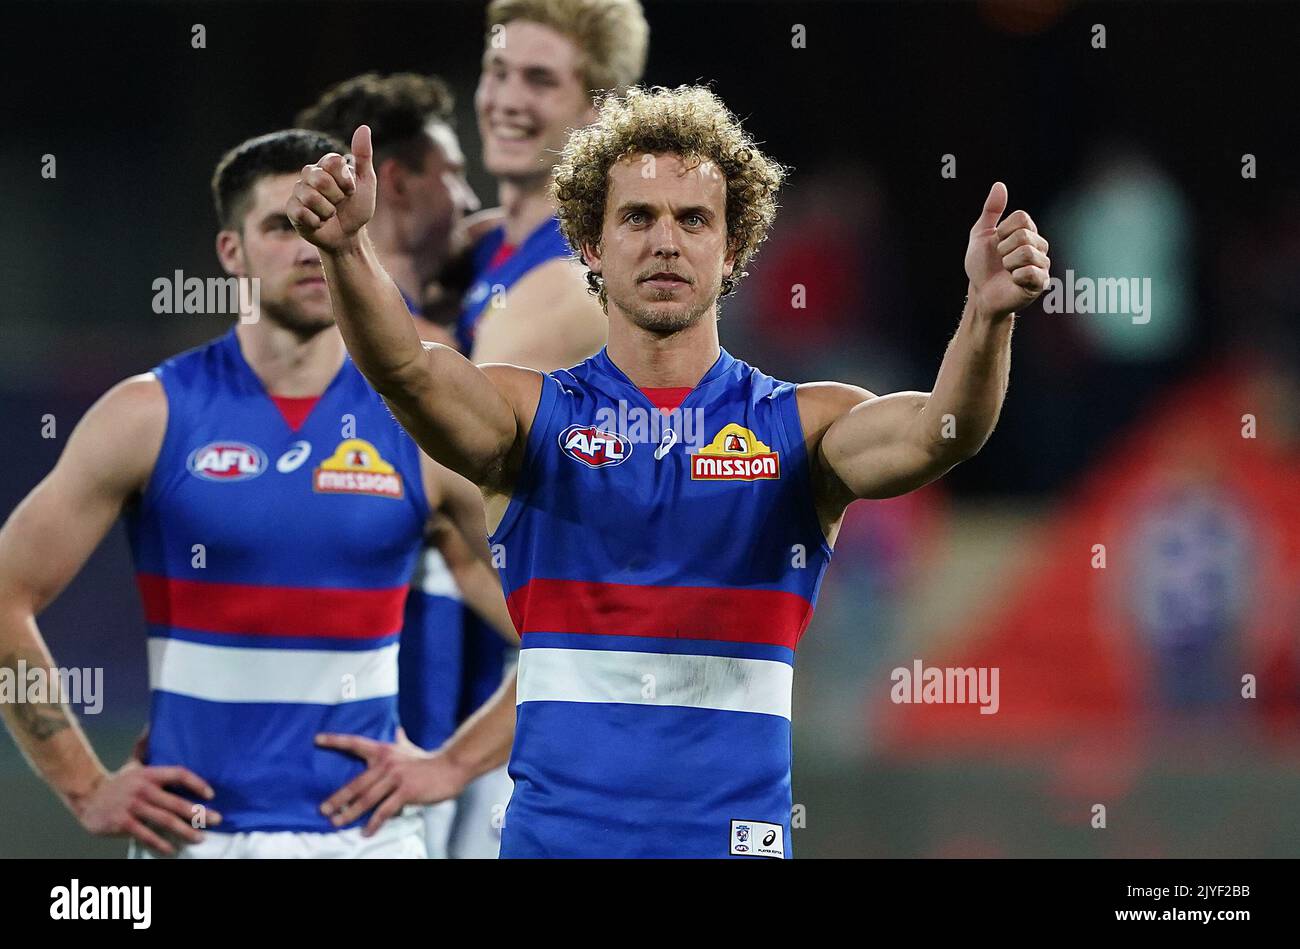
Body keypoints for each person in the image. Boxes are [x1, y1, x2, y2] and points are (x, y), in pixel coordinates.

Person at [293, 84, 1050, 857]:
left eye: (693, 219)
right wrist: (348, 252)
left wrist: (987, 317)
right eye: (637, 216)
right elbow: (409, 373)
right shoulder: (530, 420)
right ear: (590, 244)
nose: (666, 241)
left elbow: (941, 432)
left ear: (732, 248)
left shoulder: (801, 428)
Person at [0, 129, 507, 858]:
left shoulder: (420, 423)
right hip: (196, 840)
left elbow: (560, 620)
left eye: (324, 223)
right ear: (230, 253)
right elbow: (6, 590)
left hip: (369, 843)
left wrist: (454, 763)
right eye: (281, 226)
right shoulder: (148, 414)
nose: (308, 246)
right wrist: (84, 784)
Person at [297, 73, 518, 859]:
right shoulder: (438, 363)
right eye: (452, 173)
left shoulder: (477, 309)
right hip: (402, 746)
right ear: (396, 182)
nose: (467, 197)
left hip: (456, 743)